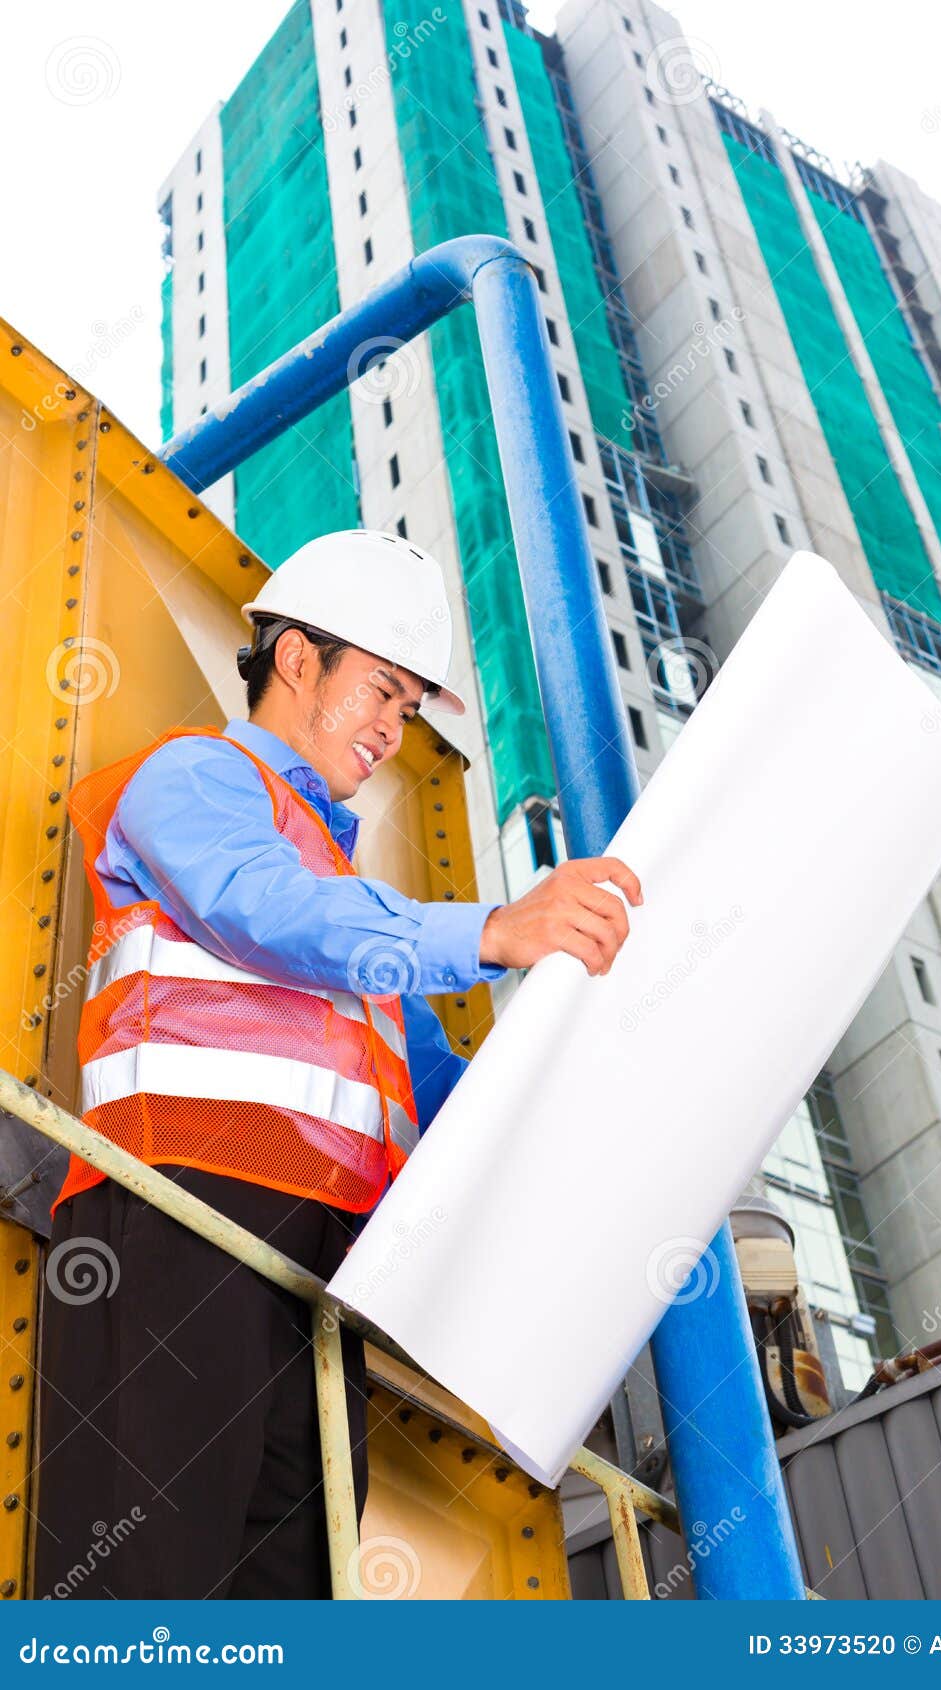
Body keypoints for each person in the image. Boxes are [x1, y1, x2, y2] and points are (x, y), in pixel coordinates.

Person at [32, 529, 642, 1600]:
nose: (390, 729)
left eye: (406, 709)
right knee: (144, 1589)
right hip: (180, 1218)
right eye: (383, 691)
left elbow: (447, 1101)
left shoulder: (346, 891)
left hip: (316, 1281)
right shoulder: (198, 778)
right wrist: (495, 931)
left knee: (294, 1602)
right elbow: (260, 910)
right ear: (298, 660)